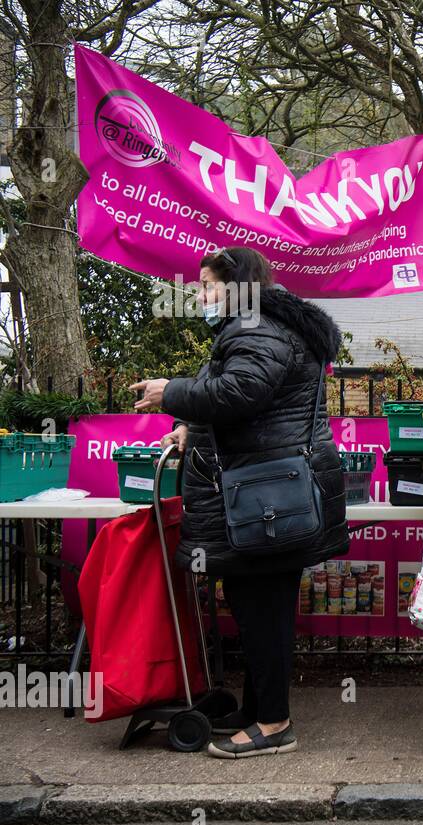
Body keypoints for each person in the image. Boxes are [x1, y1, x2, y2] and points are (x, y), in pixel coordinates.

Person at [130, 246, 349, 758]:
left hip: (266, 497)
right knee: (256, 610)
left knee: (263, 612)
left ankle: (274, 725)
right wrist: (193, 428)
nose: (201, 296)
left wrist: (173, 392)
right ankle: (256, 711)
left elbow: (241, 391)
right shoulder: (261, 324)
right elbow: (248, 407)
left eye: (207, 286)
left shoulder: (254, 327)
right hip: (270, 495)